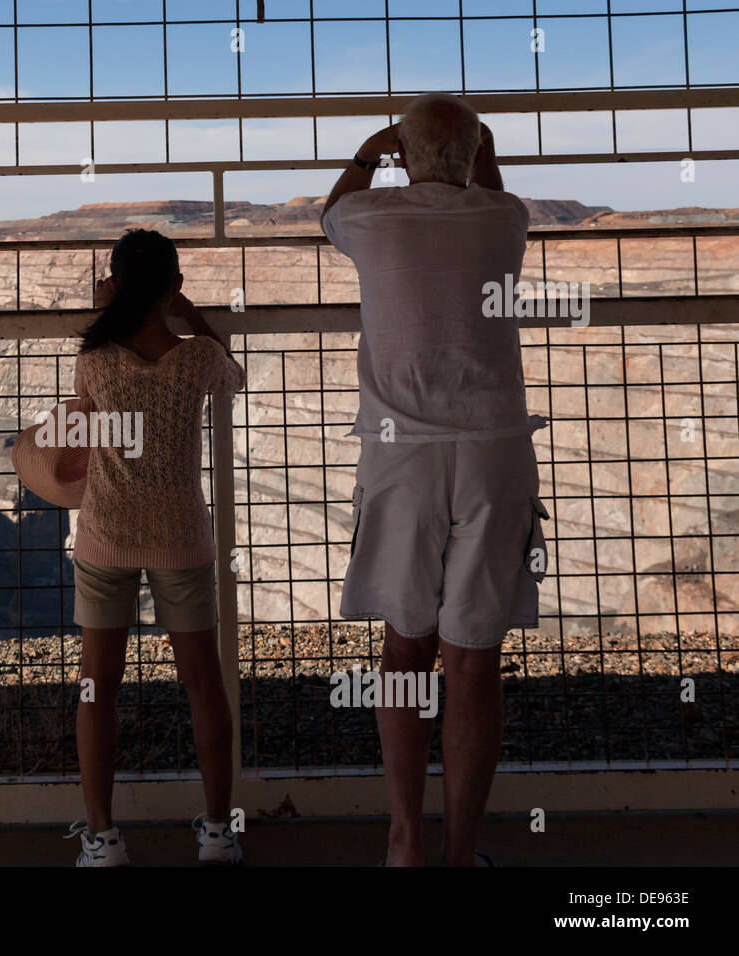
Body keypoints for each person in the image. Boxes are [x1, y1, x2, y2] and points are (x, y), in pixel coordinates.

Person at [320, 92, 549, 867]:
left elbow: (330, 210)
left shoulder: (370, 220)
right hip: (494, 452)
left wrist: (369, 149)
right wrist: (477, 149)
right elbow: (489, 189)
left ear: (405, 154)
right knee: (472, 658)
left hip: (401, 456)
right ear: (478, 154)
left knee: (404, 650)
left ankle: (404, 841)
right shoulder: (504, 220)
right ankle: (460, 854)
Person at [66, 229, 246, 867]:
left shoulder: (95, 360)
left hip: (106, 534)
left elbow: (80, 424)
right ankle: (219, 831)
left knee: (98, 687)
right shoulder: (197, 360)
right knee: (203, 684)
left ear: (115, 284)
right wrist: (193, 316)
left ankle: (102, 836)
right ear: (172, 286)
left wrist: (102, 311)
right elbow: (236, 376)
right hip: (181, 535)